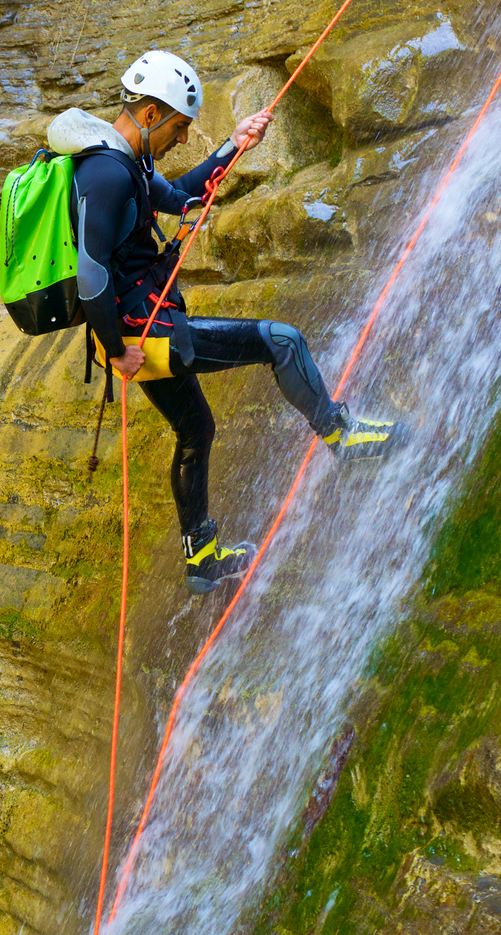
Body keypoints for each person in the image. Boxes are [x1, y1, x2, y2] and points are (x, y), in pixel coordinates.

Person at [51, 50, 405, 594]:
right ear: (150, 115)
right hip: (146, 336)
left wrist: (234, 144)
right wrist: (117, 347)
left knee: (196, 429)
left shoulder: (125, 162)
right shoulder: (106, 173)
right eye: (180, 127)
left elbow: (183, 195)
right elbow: (91, 271)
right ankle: (341, 435)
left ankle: (202, 559)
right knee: (282, 342)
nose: (183, 139)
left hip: (139, 332)